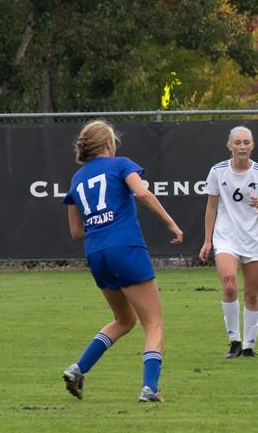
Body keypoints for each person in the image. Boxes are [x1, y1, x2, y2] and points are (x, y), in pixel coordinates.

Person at [61, 120, 184, 402]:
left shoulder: (77, 179)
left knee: (124, 319)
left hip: (96, 253)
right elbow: (142, 193)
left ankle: (78, 369)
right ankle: (150, 388)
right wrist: (171, 224)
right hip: (125, 248)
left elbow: (76, 232)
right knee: (153, 322)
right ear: (108, 144)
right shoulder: (121, 164)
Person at [198, 125, 258, 359]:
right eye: (238, 142)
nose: (242, 147)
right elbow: (211, 207)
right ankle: (234, 340)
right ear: (229, 145)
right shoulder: (218, 171)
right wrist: (207, 240)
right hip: (226, 239)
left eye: (246, 142)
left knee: (251, 294)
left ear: (252, 145)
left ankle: (249, 346)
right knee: (230, 286)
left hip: (253, 240)